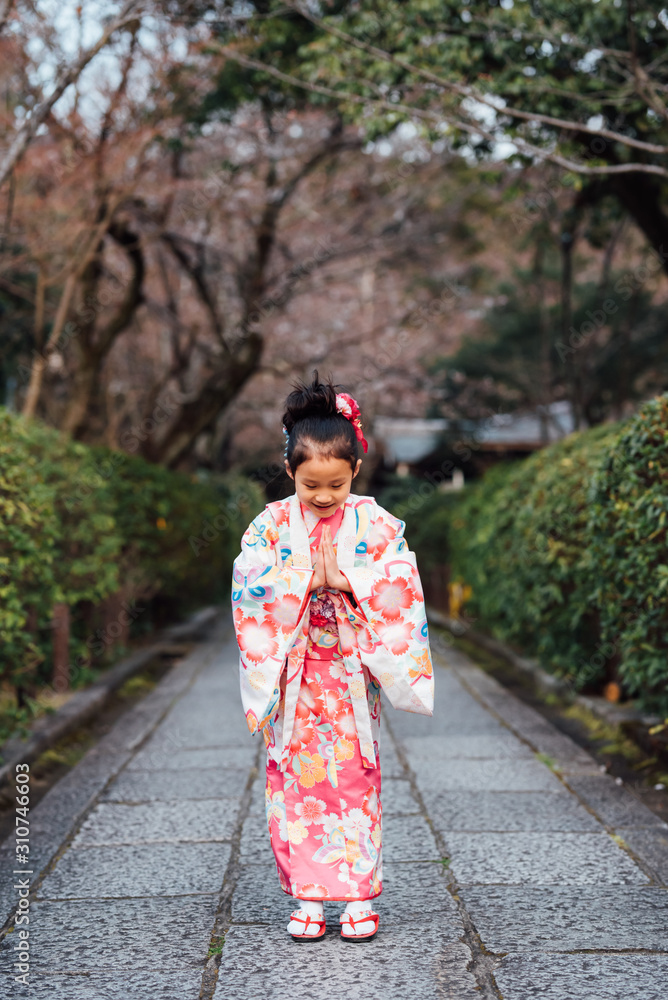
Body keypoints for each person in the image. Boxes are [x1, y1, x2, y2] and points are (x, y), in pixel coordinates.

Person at [231, 371, 434, 941]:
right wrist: (298, 581)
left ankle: (357, 899)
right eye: (310, 484)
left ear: (355, 472)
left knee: (354, 782)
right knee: (295, 785)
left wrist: (347, 578)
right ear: (290, 470)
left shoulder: (376, 522)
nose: (323, 497)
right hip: (293, 675)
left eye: (336, 485)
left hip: (348, 680)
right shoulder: (269, 525)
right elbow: (249, 581)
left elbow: (400, 582)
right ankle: (309, 900)